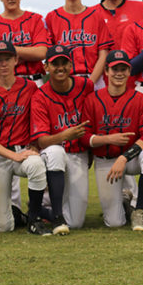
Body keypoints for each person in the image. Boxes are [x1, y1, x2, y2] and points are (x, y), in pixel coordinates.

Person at [0, 40, 57, 235]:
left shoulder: (30, 88)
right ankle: (20, 215)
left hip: (23, 150)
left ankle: (35, 218)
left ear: (16, 60)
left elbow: (39, 121)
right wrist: (13, 156)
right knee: (3, 227)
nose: (3, 64)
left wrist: (35, 145)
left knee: (36, 164)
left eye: (7, 59)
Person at [82, 50, 143, 231]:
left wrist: (124, 157)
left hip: (130, 158)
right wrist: (108, 139)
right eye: (114, 69)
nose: (119, 73)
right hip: (105, 161)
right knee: (115, 222)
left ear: (129, 71)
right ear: (106, 72)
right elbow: (85, 138)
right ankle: (125, 203)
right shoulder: (92, 99)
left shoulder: (140, 99)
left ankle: (141, 209)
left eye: (123, 69)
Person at [31, 44, 95, 229]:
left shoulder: (86, 86)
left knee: (75, 222)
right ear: (46, 67)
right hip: (53, 153)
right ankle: (54, 212)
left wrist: (90, 152)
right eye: (55, 63)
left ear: (71, 64)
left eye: (64, 62)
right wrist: (65, 135)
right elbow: (42, 140)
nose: (60, 67)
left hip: (78, 153)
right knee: (55, 151)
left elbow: (93, 122)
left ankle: (40, 210)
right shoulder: (40, 96)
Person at [44, 0, 112, 84]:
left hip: (94, 79)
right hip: (64, 80)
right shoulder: (52, 17)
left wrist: (91, 82)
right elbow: (49, 54)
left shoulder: (96, 16)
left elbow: (103, 53)